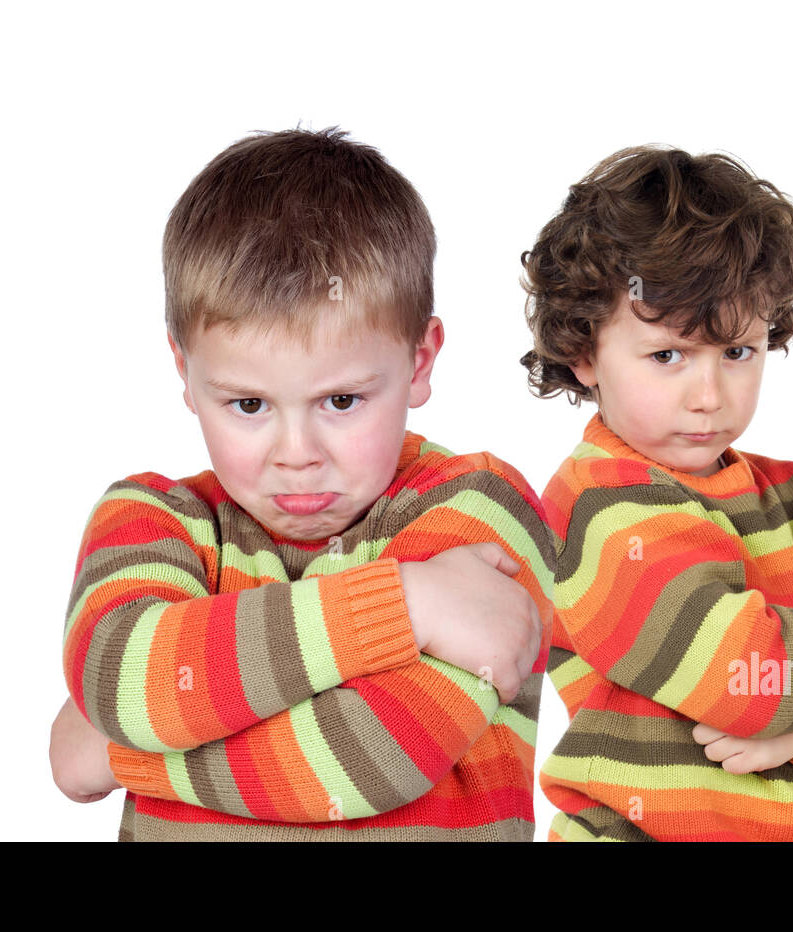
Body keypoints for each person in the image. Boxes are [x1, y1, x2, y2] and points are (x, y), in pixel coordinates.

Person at [49, 127, 555, 841]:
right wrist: (405, 603)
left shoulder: (476, 506)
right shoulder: (153, 518)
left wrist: (122, 754)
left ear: (418, 363)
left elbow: (367, 757)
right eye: (249, 405)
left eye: (341, 401)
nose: (297, 455)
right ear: (184, 373)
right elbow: (121, 677)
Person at [519, 145, 793, 841]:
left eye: (737, 352)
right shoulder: (598, 507)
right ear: (583, 353)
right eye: (668, 355)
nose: (709, 396)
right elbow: (746, 683)